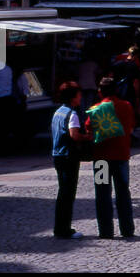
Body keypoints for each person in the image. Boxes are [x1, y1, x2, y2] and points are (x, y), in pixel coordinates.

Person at [88, 76, 135, 240]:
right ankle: (127, 229)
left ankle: (106, 231)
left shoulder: (96, 108)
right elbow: (130, 127)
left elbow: (89, 128)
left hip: (101, 158)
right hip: (121, 156)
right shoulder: (126, 106)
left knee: (102, 194)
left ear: (100, 92)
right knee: (123, 193)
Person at [50, 81, 87, 241]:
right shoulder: (72, 113)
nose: (80, 98)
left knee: (62, 193)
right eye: (79, 95)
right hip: (69, 155)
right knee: (68, 194)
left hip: (57, 154)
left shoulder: (58, 112)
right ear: (73, 97)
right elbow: (74, 135)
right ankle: (64, 229)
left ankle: (60, 227)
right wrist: (88, 137)